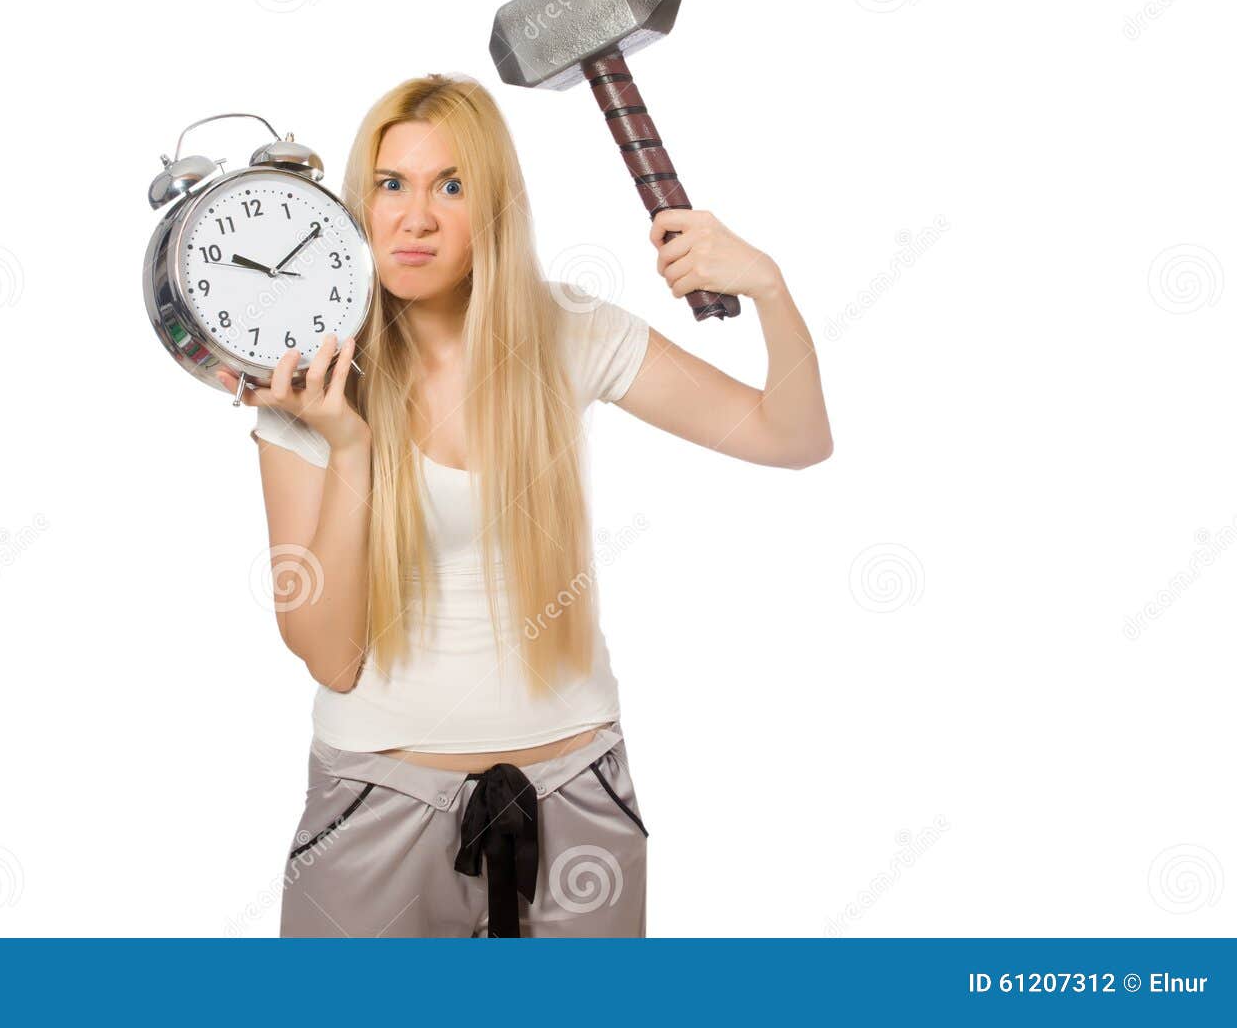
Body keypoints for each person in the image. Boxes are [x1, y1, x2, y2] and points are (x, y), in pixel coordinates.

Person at [215, 72, 833, 937]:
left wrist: (767, 285)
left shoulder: (570, 332)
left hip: (576, 797)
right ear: (357, 203)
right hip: (374, 804)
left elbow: (792, 437)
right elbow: (329, 657)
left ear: (495, 208)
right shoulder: (307, 376)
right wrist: (349, 443)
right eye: (391, 185)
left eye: (451, 186)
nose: (415, 218)